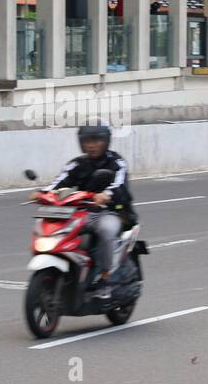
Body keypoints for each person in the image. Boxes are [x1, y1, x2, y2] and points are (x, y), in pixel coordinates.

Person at [35, 123, 134, 298]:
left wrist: (106, 194)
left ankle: (105, 279)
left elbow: (120, 184)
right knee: (55, 229)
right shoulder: (77, 164)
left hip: (110, 211)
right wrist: (42, 193)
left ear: (106, 141)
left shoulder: (116, 162)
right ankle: (71, 272)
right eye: (87, 141)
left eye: (96, 140)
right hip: (81, 212)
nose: (92, 145)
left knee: (107, 230)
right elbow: (59, 182)